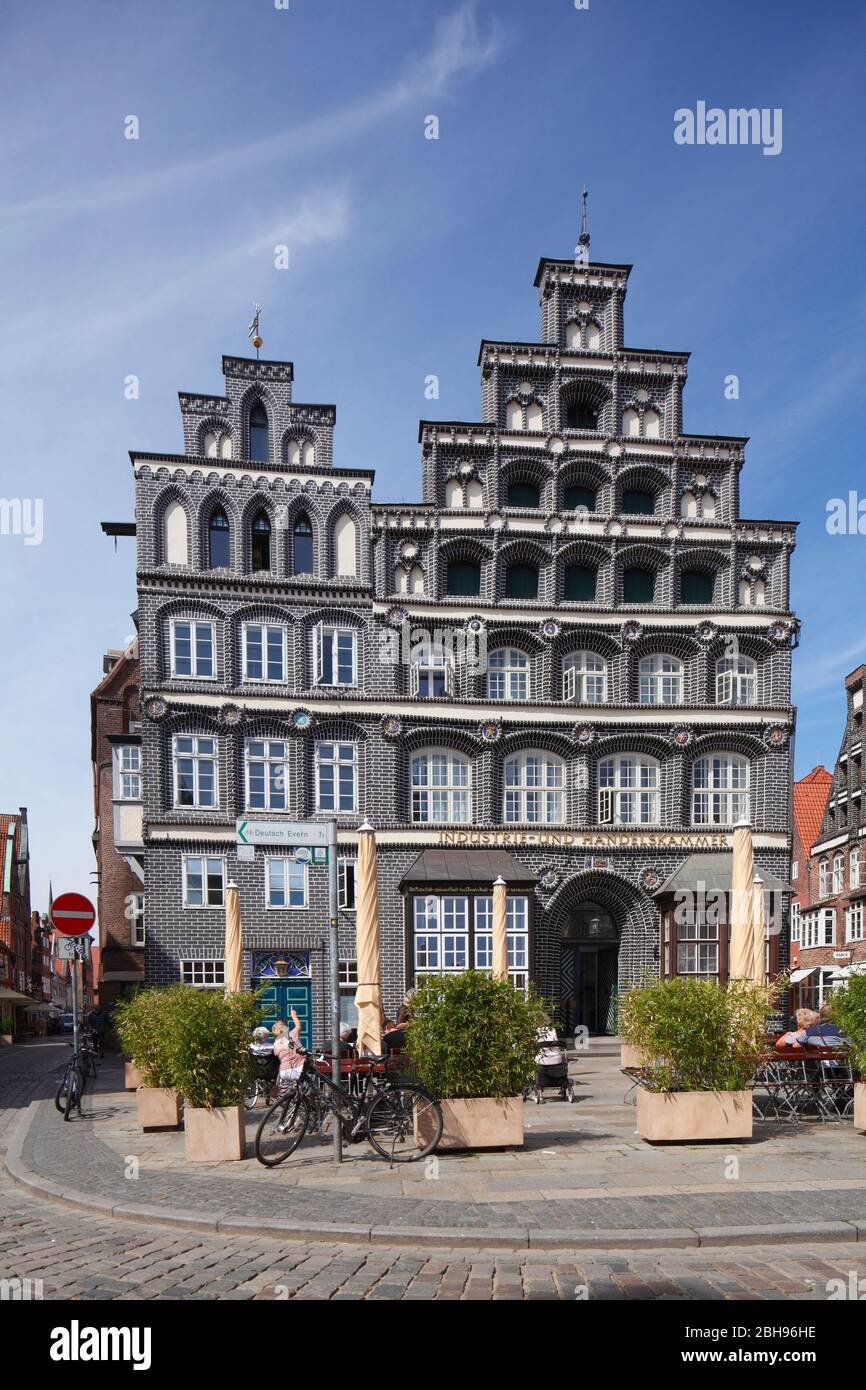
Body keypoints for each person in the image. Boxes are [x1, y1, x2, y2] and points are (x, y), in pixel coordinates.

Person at [272, 1009, 305, 1089]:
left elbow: (277, 1054)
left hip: (284, 1072)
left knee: (285, 1093)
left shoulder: (276, 1044)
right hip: (298, 1070)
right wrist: (293, 1015)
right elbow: (298, 1026)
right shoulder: (292, 1035)